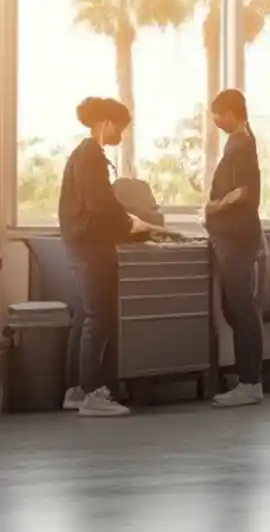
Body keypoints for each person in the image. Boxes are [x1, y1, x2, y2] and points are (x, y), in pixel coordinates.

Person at [58, 97, 153, 417]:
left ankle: (77, 389)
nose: (121, 136)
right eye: (121, 128)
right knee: (100, 316)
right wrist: (130, 222)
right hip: (92, 245)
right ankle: (94, 394)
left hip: (79, 244)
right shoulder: (91, 157)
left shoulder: (82, 154)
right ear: (108, 123)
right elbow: (100, 204)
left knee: (86, 316)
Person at [205, 89, 265, 408]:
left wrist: (214, 207)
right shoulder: (240, 143)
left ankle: (250, 381)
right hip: (232, 236)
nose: (215, 120)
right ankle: (248, 376)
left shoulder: (240, 144)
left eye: (218, 114)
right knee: (234, 307)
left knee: (241, 307)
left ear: (232, 112)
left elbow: (242, 191)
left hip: (236, 237)